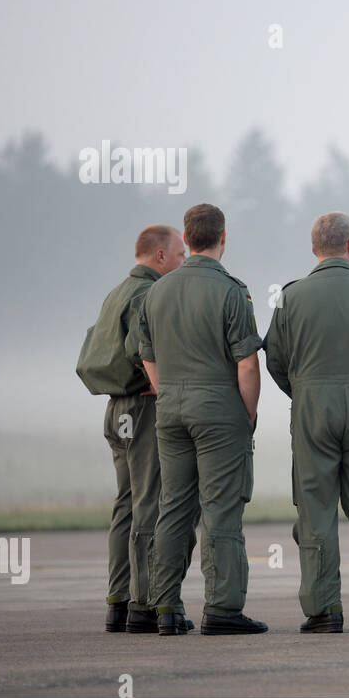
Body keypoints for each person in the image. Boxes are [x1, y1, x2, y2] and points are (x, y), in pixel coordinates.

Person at [264, 212, 349, 633]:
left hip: (312, 407)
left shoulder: (290, 296)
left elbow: (275, 360)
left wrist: (306, 390)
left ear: (314, 249)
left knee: (315, 506)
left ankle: (324, 609)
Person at [138, 203, 266, 635]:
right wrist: (247, 411)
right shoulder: (232, 291)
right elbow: (246, 364)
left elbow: (146, 356)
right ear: (223, 238)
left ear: (188, 240)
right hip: (218, 411)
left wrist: (167, 391)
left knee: (173, 507)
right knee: (221, 509)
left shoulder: (156, 291)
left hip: (170, 408)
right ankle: (223, 608)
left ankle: (167, 608)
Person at [76, 225, 194, 634]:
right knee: (151, 502)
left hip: (116, 409)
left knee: (126, 504)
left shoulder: (118, 291)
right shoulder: (149, 294)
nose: (183, 261)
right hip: (143, 408)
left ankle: (118, 601)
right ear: (160, 256)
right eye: (180, 255)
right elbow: (139, 351)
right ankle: (145, 603)